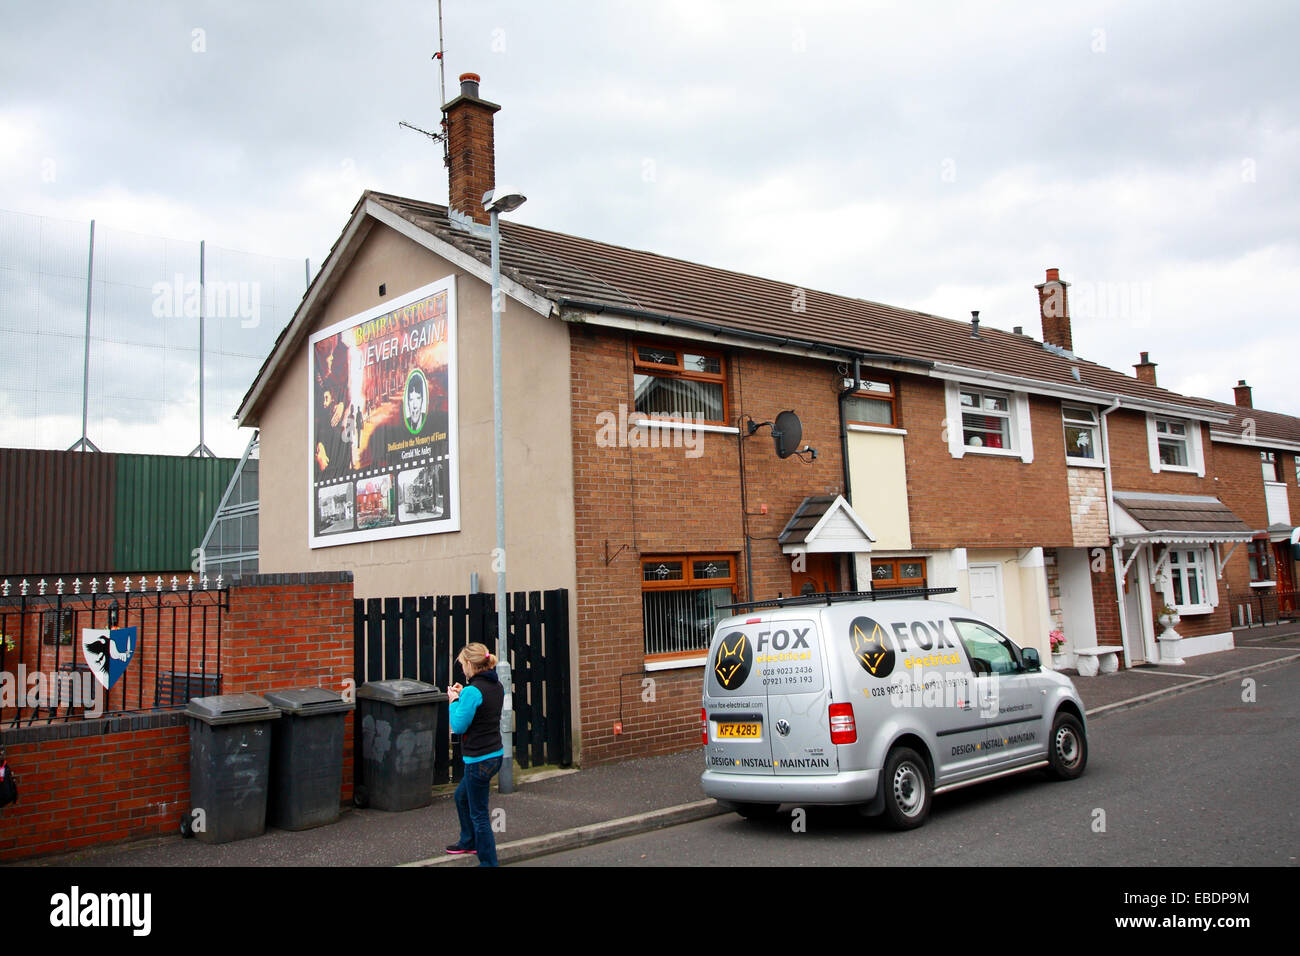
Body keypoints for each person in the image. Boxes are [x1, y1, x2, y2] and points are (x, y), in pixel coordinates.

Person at [446, 643, 504, 866]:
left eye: (462, 664)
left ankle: (489, 863)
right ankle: (468, 841)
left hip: (478, 760)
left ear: (470, 664)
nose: (462, 669)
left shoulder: (473, 691)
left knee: (479, 814)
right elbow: (480, 709)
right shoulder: (495, 685)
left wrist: (453, 700)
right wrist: (463, 697)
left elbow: (459, 726)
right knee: (461, 797)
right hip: (494, 755)